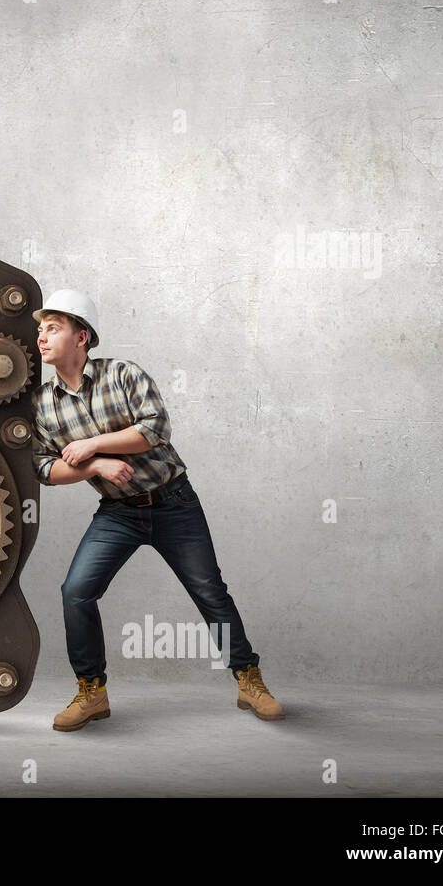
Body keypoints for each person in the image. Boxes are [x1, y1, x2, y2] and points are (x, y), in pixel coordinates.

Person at [30, 289, 284, 731]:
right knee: (76, 592)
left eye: (54, 328)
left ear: (82, 337)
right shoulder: (42, 404)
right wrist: (98, 466)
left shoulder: (123, 374)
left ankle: (249, 681)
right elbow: (45, 469)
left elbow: (155, 429)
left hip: (174, 502)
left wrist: (91, 444)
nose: (41, 336)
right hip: (118, 514)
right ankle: (92, 692)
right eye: (39, 329)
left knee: (210, 593)